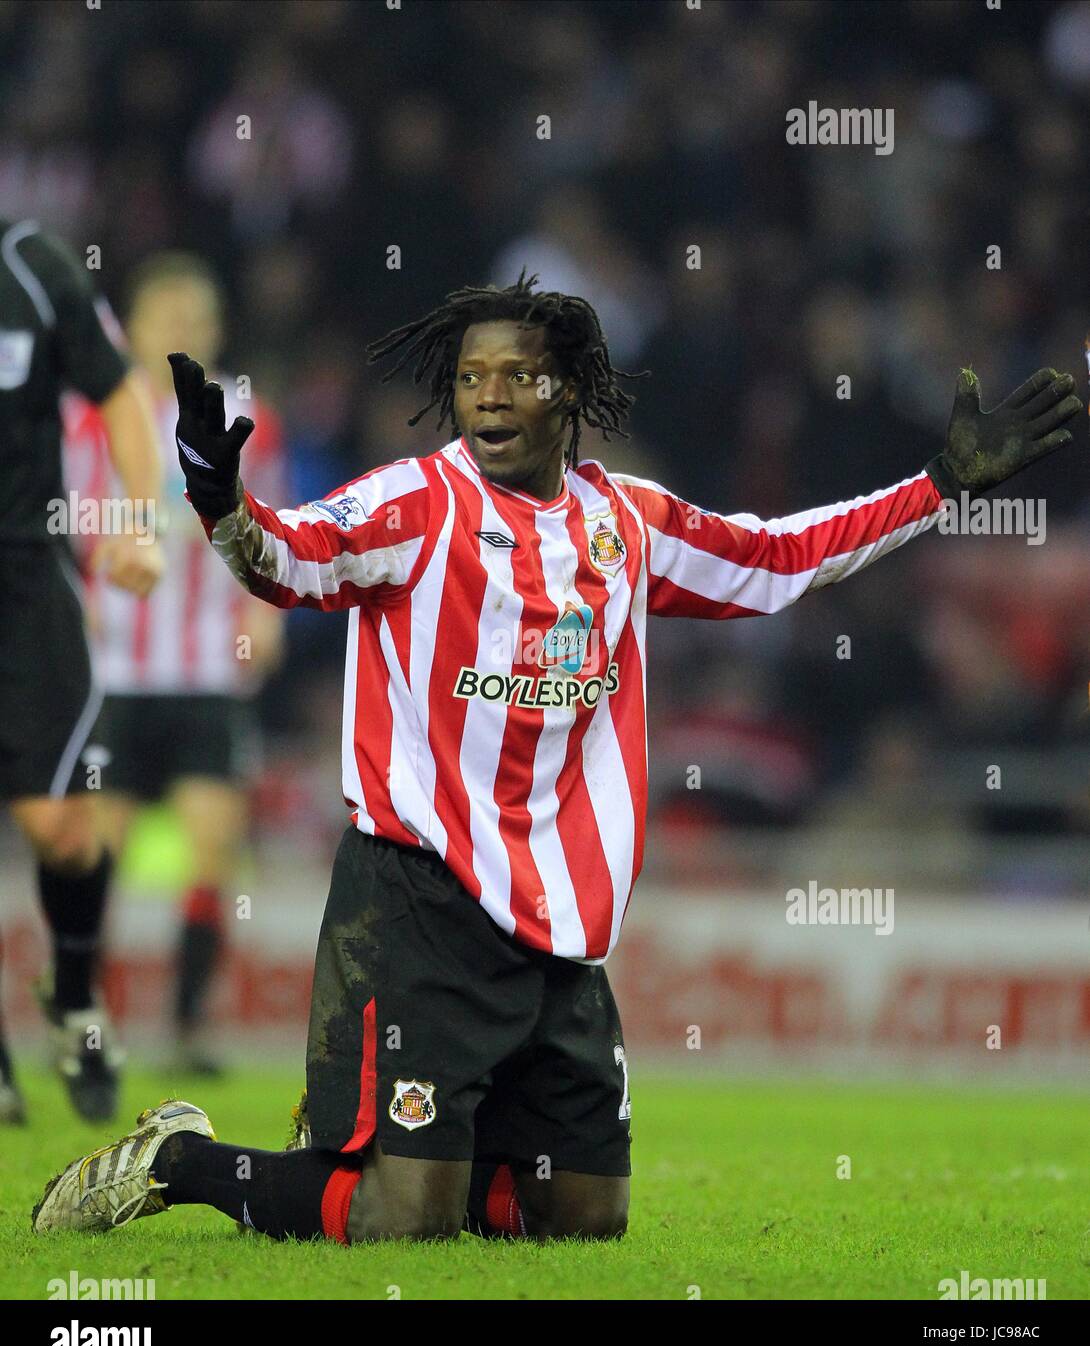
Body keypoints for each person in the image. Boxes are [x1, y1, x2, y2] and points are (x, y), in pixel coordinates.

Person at [31, 273, 1081, 1239]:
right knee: (409, 1222)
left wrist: (940, 483)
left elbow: (775, 559)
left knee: (583, 1216)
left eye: (517, 376)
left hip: (558, 921)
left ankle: (391, 1146)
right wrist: (223, 503)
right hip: (418, 901)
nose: (487, 398)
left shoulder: (627, 523)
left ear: (568, 390)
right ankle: (182, 1159)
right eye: (469, 378)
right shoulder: (414, 504)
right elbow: (293, 559)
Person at [63, 252, 287, 1074]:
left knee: (212, 850)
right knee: (99, 854)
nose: (180, 335)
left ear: (215, 330)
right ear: (137, 326)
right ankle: (84, 1025)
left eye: (195, 321)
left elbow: (269, 524)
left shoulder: (244, 414)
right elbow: (53, 519)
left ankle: (188, 1029)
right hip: (114, 670)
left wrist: (262, 615)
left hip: (205, 673)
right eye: (166, 320)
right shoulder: (93, 414)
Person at [0, 218, 163, 1123]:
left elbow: (119, 393)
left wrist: (138, 519)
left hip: (29, 578)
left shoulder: (31, 264)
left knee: (63, 825)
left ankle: (73, 995)